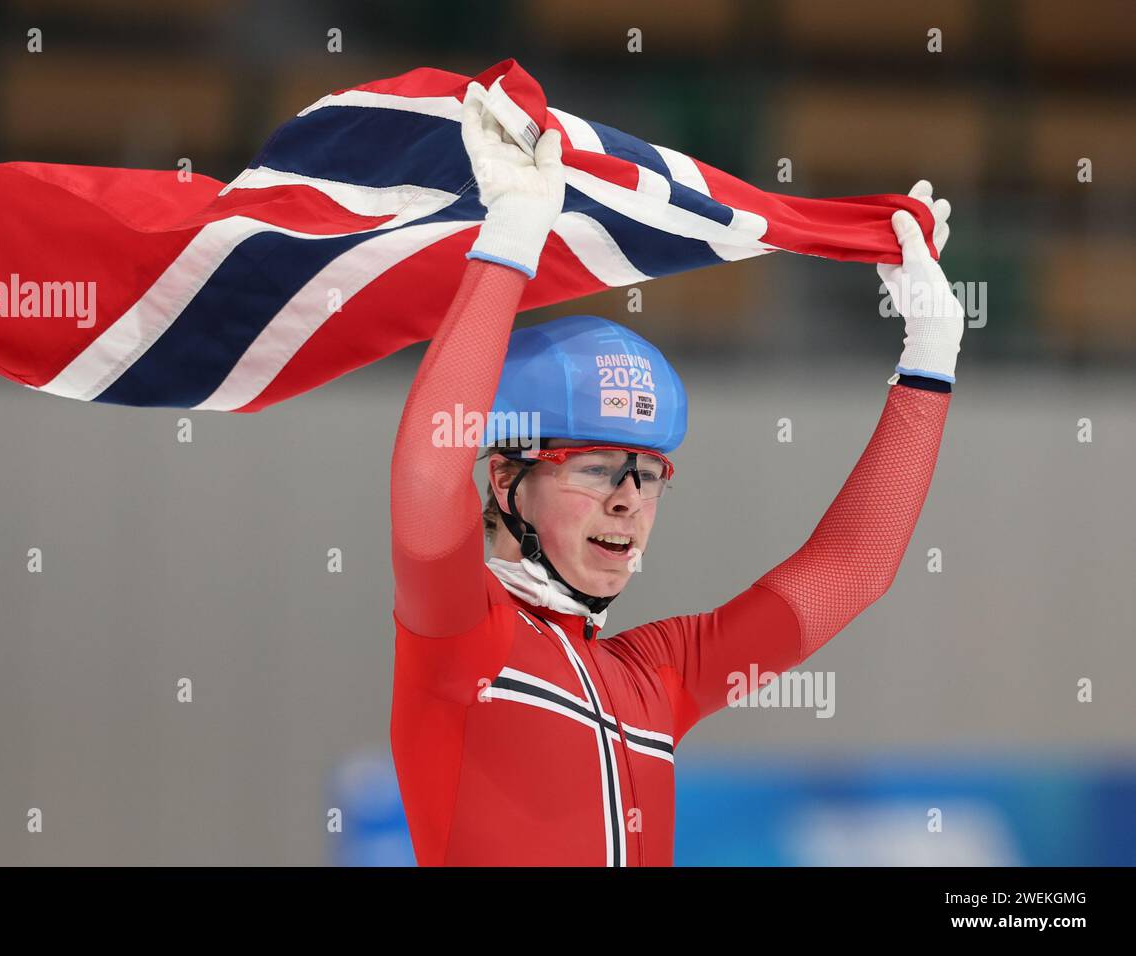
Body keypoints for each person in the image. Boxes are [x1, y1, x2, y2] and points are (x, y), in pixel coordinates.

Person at [388, 83, 962, 866]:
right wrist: (511, 239)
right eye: (594, 468)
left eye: (649, 475)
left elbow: (852, 571)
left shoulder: (655, 678)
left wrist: (930, 355)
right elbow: (427, 470)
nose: (628, 500)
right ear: (504, 483)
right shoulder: (461, 633)